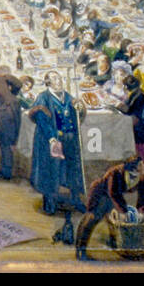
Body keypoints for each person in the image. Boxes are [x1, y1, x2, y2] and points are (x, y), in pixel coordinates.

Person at [28, 72, 86, 214]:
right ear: (48, 82)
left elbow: (75, 113)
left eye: (59, 78)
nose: (59, 81)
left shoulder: (67, 96)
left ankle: (76, 198)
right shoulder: (43, 98)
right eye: (54, 79)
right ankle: (50, 201)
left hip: (70, 138)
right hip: (53, 139)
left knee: (73, 168)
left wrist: (79, 108)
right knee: (51, 170)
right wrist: (51, 139)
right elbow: (42, 120)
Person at [75, 157, 144, 261]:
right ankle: (80, 249)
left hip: (113, 198)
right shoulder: (116, 173)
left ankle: (114, 244)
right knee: (91, 219)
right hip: (100, 194)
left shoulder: (140, 177)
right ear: (133, 168)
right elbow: (113, 192)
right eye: (141, 165)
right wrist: (124, 211)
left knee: (112, 221)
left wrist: (142, 212)